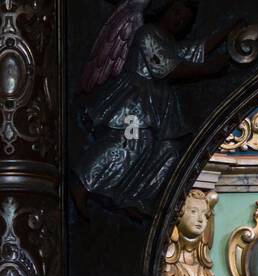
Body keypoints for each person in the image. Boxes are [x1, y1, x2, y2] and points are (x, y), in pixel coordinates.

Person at [72, 1, 238, 220]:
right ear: (163, 9)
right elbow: (165, 69)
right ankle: (82, 182)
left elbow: (193, 51)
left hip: (156, 107)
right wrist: (209, 69)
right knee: (127, 141)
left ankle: (130, 196)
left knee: (164, 151)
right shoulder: (147, 34)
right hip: (133, 102)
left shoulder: (167, 40)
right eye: (177, 12)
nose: (179, 20)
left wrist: (226, 33)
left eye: (185, 19)